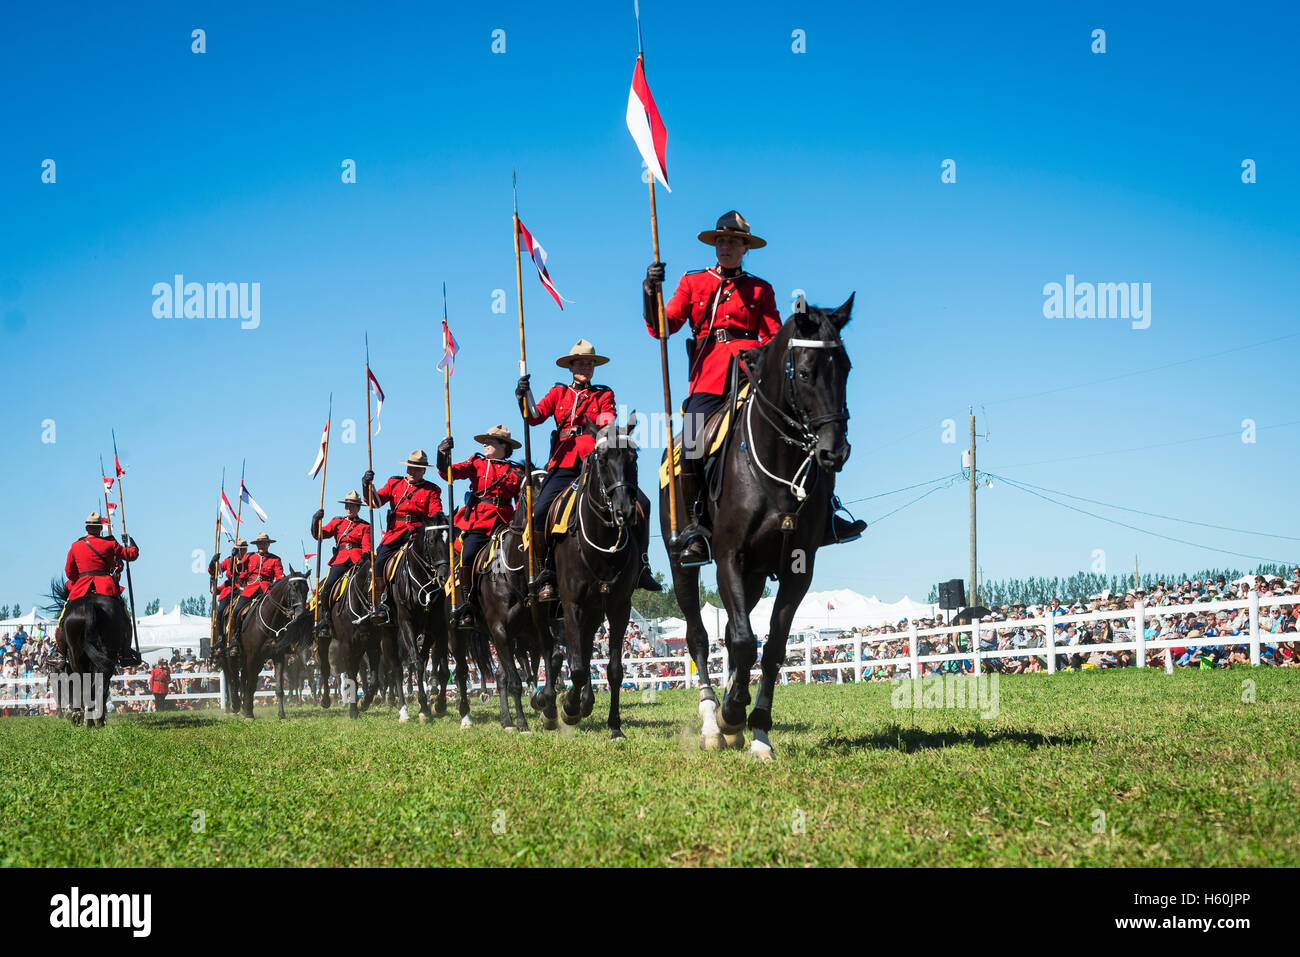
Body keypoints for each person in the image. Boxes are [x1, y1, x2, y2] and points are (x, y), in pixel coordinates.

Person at [643, 210, 865, 563]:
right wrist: (649, 290)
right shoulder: (693, 282)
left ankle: (827, 513)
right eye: (721, 240)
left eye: (732, 241)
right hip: (708, 380)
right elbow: (661, 327)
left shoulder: (760, 288)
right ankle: (696, 530)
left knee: (809, 429)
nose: (725, 246)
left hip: (751, 375)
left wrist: (759, 358)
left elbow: (774, 337)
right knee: (689, 442)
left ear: (745, 247)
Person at [516, 339, 661, 599]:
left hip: (597, 462)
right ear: (571, 367)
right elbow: (534, 416)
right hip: (563, 461)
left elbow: (607, 421)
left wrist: (607, 431)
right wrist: (524, 395)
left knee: (642, 503)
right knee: (540, 512)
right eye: (580, 362)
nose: (585, 367)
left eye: (589, 363)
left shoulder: (604, 394)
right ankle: (544, 573)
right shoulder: (558, 394)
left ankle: (642, 565)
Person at [437, 424, 526, 626]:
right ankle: (467, 603)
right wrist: (442, 454)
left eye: (490, 441)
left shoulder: (516, 471)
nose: (485, 444)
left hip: (506, 523)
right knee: (467, 555)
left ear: (504, 446)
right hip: (479, 523)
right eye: (485, 441)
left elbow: (522, 502)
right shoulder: (477, 463)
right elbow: (449, 473)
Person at [363, 449, 445, 623]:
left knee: (438, 559)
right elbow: (375, 502)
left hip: (418, 534)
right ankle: (380, 603)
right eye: (410, 468)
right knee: (378, 562)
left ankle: (439, 599)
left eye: (417, 469)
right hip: (395, 533)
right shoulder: (394, 484)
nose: (412, 472)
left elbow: (436, 514)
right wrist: (367, 486)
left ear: (424, 471)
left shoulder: (431, 490)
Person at [63, 510, 141, 666]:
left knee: (64, 616)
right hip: (105, 587)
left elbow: (69, 572)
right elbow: (131, 555)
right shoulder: (109, 543)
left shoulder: (75, 546)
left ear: (86, 529)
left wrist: (80, 579)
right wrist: (130, 542)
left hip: (81, 588)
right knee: (125, 618)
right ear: (100, 529)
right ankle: (125, 653)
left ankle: (59, 653)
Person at [310, 490, 372, 637]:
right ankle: (325, 618)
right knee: (327, 586)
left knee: (371, 584)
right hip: (341, 559)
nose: (349, 508)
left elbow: (367, 546)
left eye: (353, 506)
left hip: (359, 560)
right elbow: (319, 535)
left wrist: (363, 557)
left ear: (358, 508)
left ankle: (372, 611)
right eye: (347, 506)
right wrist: (315, 520)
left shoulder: (365, 526)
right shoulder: (337, 522)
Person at [208, 538, 248, 650]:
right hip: (230, 589)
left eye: (244, 549)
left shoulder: (249, 560)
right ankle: (220, 637)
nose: (242, 551)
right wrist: (213, 562)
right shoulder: (229, 560)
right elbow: (215, 571)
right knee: (220, 611)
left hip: (246, 588)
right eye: (240, 549)